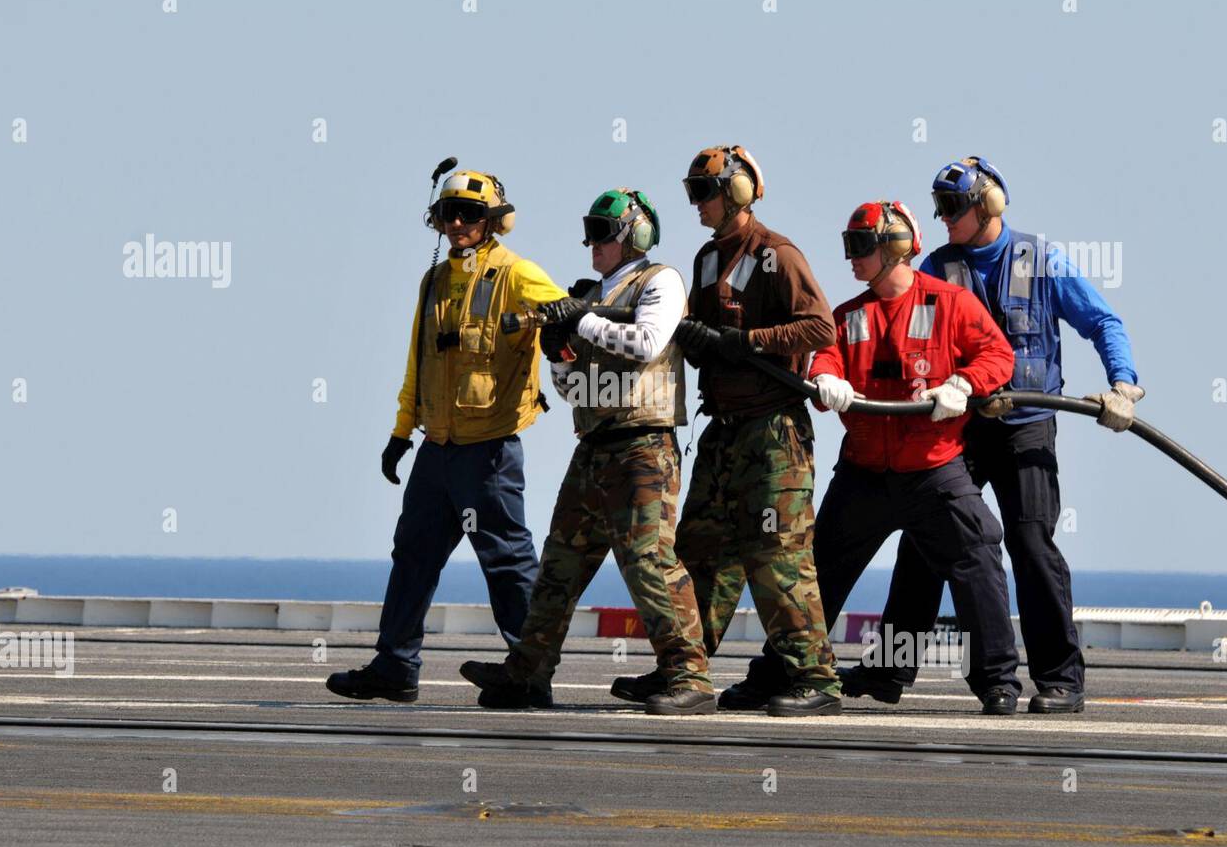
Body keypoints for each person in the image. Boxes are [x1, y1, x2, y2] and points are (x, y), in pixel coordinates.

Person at [851, 158, 1142, 714]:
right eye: (937, 209)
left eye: (951, 209)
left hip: (1026, 428)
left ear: (987, 206)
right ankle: (889, 669)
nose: (942, 219)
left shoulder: (1043, 260)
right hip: (960, 428)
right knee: (925, 541)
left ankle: (1060, 681)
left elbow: (1103, 322)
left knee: (1031, 545)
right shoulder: (936, 267)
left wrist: (1122, 385)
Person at [459, 189, 717, 713]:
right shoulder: (593, 292)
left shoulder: (659, 282)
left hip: (644, 444)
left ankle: (689, 675)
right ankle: (527, 673)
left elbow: (647, 343)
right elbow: (575, 393)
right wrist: (558, 355)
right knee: (560, 562)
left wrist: (580, 320)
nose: (590, 243)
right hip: (595, 446)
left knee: (649, 561)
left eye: (601, 232)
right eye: (590, 231)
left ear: (632, 236)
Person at [612, 145, 843, 716]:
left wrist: (748, 343)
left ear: (737, 192)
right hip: (724, 432)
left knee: (777, 554)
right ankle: (684, 669)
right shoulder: (706, 260)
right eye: (692, 193)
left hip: (773, 434)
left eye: (704, 193)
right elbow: (706, 341)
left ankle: (816, 678)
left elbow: (820, 327)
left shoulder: (777, 254)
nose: (696, 204)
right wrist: (696, 341)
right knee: (699, 552)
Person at [327, 169, 566, 704]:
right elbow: (419, 362)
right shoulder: (434, 280)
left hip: (489, 449)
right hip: (435, 449)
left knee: (505, 559)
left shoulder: (517, 274)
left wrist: (561, 332)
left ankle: (529, 675)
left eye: (470, 215)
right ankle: (395, 666)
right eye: (448, 214)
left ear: (493, 221)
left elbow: (566, 313)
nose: (457, 224)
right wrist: (399, 433)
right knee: (412, 555)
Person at [793, 200, 1023, 713]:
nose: (850, 259)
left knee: (979, 557)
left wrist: (965, 381)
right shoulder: (849, 317)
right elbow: (826, 356)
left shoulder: (951, 305)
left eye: (859, 248)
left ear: (893, 249)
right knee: (817, 569)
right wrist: (824, 377)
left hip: (934, 470)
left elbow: (998, 356)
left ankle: (997, 682)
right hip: (864, 473)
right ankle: (788, 671)